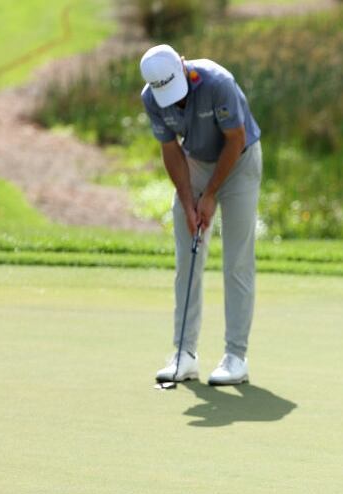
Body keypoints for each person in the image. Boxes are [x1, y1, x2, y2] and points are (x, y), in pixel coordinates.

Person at [139, 44, 263, 389]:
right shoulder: (151, 98)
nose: (175, 101)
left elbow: (235, 140)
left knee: (236, 260)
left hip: (239, 160)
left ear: (183, 66)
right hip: (194, 163)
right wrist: (188, 199)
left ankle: (236, 357)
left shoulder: (216, 81)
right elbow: (170, 149)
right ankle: (184, 354)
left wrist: (209, 196)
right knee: (187, 256)